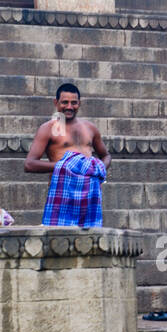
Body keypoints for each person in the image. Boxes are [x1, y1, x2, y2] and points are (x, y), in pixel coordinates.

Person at [24, 83, 109, 227]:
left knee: (91, 241)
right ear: (56, 103)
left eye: (74, 103)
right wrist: (66, 166)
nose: (69, 107)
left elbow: (106, 156)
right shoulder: (48, 128)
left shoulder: (90, 128)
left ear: (79, 104)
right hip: (63, 194)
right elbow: (29, 164)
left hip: (90, 195)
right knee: (59, 241)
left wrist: (99, 169)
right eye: (65, 102)